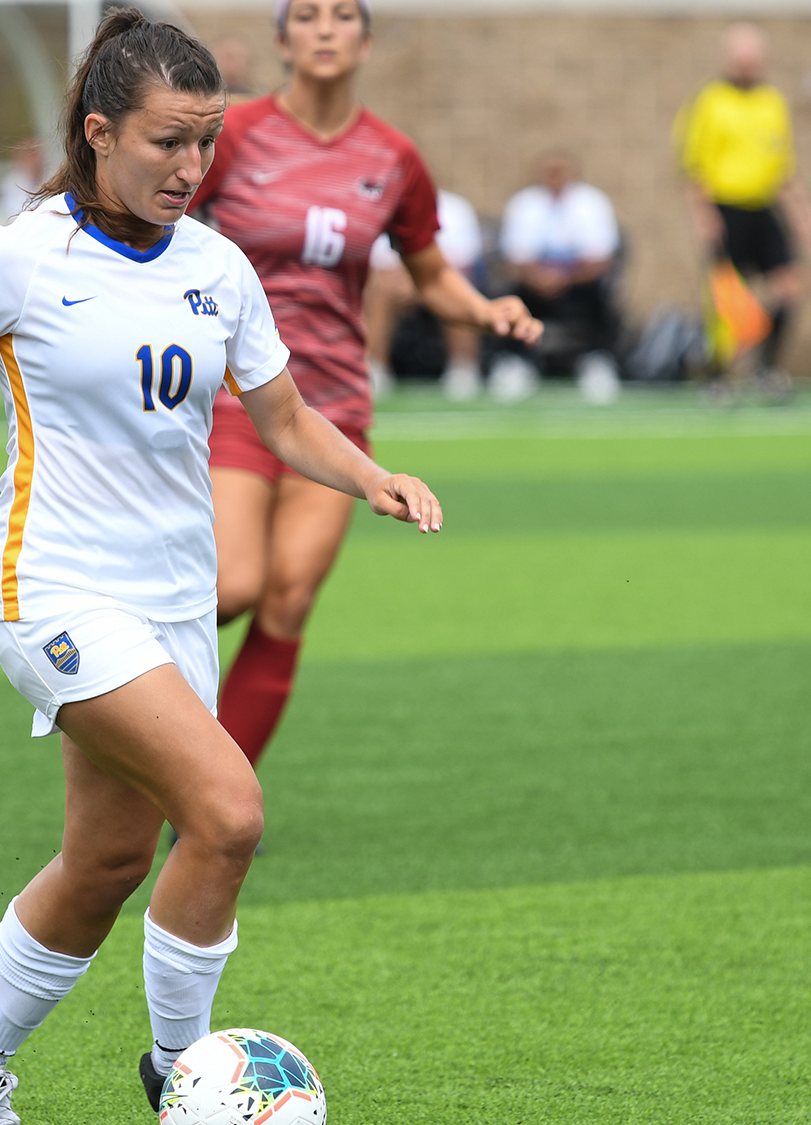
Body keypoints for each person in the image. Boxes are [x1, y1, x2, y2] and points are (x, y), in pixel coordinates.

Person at [0, 12, 443, 1123]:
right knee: (228, 812)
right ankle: (182, 1077)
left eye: (205, 142)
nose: (191, 168)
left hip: (173, 605)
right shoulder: (17, 257)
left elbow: (288, 421)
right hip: (52, 590)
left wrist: (369, 478)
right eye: (167, 142)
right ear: (99, 133)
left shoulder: (217, 267)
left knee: (107, 863)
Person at [188, 0, 538, 770]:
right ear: (282, 38)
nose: (324, 28)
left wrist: (485, 310)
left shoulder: (393, 157)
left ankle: (211, 792)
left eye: (343, 15)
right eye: (306, 14)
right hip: (238, 399)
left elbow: (431, 274)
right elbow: (159, 220)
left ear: (366, 40)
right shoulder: (234, 136)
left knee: (289, 602)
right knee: (232, 587)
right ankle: (131, 712)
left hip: (336, 408)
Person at [674, 22, 811, 399]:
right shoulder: (710, 101)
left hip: (763, 206)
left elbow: (783, 166)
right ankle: (718, 375)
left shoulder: (772, 101)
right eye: (741, 58)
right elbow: (694, 166)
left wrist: (803, 213)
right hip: (726, 207)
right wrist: (703, 215)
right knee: (728, 302)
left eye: (753, 59)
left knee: (789, 286)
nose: (747, 65)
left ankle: (767, 368)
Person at [498, 149, 623, 394]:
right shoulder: (525, 204)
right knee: (511, 298)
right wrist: (541, 279)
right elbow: (516, 258)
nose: (555, 176)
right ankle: (516, 361)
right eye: (549, 171)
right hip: (533, 286)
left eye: (560, 170)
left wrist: (564, 279)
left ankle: (596, 359)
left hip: (580, 285)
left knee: (599, 296)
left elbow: (601, 258)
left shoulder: (591, 203)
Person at [362, 187, 485, 398]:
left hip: (441, 280)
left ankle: (463, 368)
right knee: (379, 292)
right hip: (395, 285)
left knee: (458, 291)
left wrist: (423, 280)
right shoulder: (381, 206)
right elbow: (376, 263)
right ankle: (376, 368)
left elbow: (463, 262)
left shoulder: (456, 208)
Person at [0, 136, 46, 223]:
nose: (34, 161)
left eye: (36, 155)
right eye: (29, 156)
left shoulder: (53, 179)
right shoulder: (10, 184)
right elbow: (11, 215)